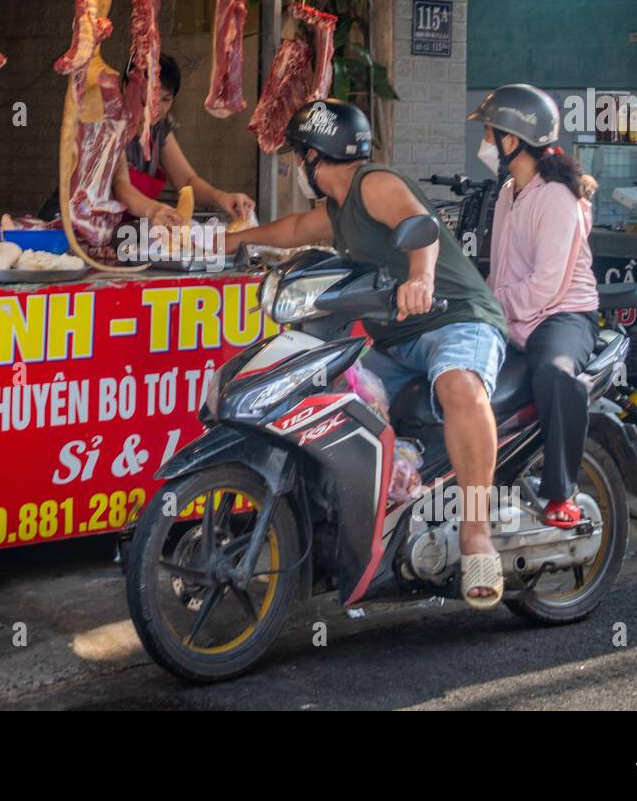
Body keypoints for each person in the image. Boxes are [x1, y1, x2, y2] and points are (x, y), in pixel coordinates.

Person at [224, 99, 511, 609]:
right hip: (398, 340)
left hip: (457, 319)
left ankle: (476, 532)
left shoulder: (374, 184)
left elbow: (418, 224)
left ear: (314, 157)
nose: (297, 166)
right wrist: (235, 241)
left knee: (458, 385)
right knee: (327, 396)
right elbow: (293, 230)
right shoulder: (338, 208)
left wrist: (421, 277)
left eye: (299, 156)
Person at [470, 84, 600, 528]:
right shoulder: (510, 191)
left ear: (512, 140)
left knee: (553, 372)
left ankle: (563, 493)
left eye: (489, 134)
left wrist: (494, 305)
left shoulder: (558, 198)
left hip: (564, 316)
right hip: (514, 315)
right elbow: (501, 269)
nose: (485, 143)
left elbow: (547, 285)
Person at [112, 56, 255, 231]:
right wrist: (152, 209)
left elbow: (187, 181)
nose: (157, 107)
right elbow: (120, 185)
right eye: (150, 96)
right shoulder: (110, 125)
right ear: (127, 87)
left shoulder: (158, 129)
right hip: (98, 231)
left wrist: (222, 197)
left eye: (166, 99)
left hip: (129, 234)